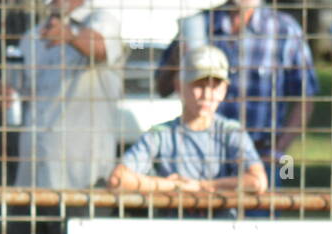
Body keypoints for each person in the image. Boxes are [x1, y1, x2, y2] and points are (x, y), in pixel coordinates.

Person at [0, 0, 124, 234]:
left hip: (85, 187)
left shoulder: (103, 21)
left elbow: (101, 48)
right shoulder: (30, 37)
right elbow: (9, 87)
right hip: (33, 188)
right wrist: (3, 92)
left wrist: (69, 36)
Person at [154, 0, 316, 192]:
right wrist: (179, 57)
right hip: (204, 157)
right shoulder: (199, 25)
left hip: (261, 156)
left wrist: (279, 150)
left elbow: (306, 97)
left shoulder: (285, 30)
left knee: (259, 220)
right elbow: (162, 88)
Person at [108, 43, 266, 211]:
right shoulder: (160, 135)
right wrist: (173, 186)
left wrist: (200, 186)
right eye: (199, 85)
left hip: (223, 233)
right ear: (179, 86)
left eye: (214, 86)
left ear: (224, 90)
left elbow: (257, 181)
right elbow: (118, 179)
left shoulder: (231, 132)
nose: (207, 95)